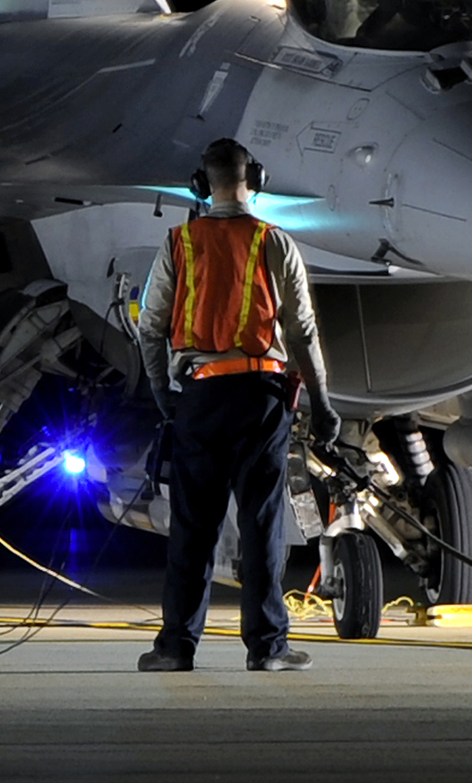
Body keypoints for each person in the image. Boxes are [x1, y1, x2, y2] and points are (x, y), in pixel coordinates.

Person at [133, 138, 342, 671]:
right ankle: (268, 648)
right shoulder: (276, 242)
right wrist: (321, 402)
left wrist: (162, 392)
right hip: (262, 399)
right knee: (262, 523)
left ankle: (176, 648)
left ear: (201, 185)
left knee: (192, 528)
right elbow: (303, 332)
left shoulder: (178, 242)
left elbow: (150, 326)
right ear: (258, 180)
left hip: (200, 395)